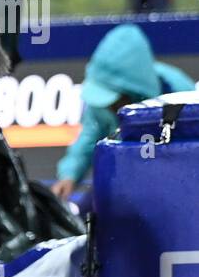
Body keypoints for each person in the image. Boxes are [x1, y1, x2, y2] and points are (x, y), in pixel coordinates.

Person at [51, 22, 195, 200]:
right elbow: (88, 137)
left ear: (135, 92)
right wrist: (69, 175)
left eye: (114, 99)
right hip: (123, 179)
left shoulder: (181, 94)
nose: (109, 107)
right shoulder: (102, 108)